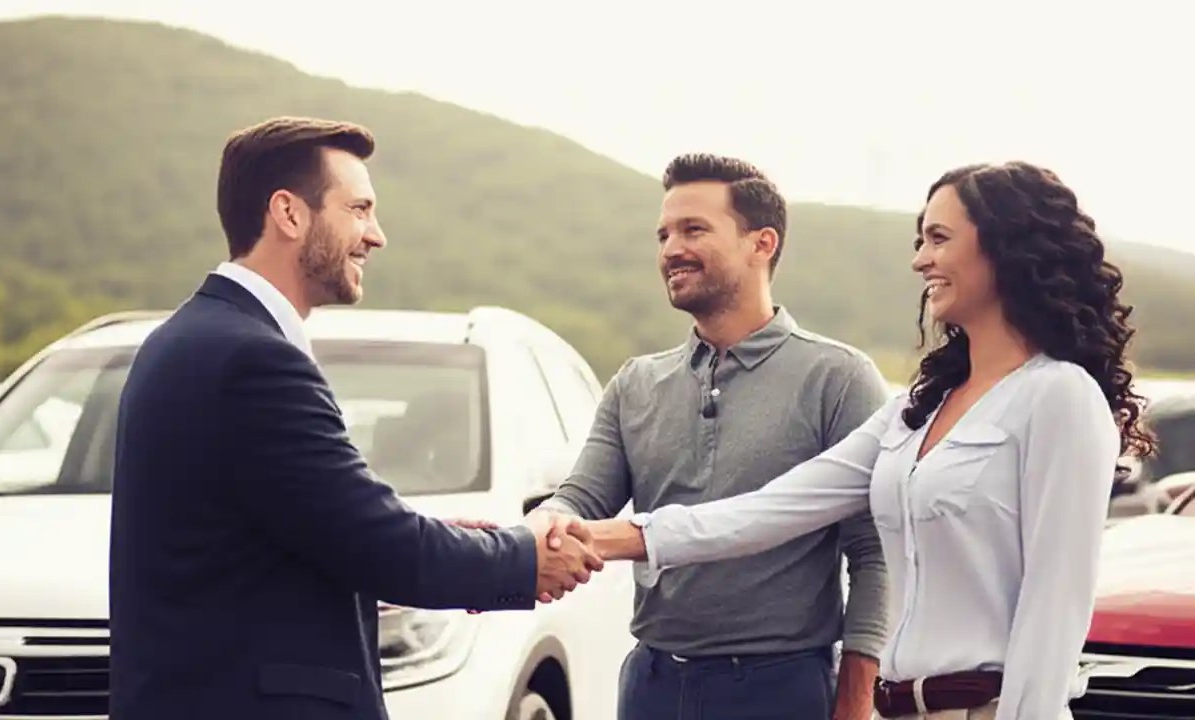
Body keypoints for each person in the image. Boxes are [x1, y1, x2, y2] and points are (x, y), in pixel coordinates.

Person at [584, 160, 1156, 720]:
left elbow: (1053, 612)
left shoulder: (1061, 397)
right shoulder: (919, 407)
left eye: (938, 238)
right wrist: (597, 538)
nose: (919, 259)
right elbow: (765, 512)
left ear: (1004, 247)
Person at [108, 116, 602, 720]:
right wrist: (523, 560)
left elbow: (310, 521)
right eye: (359, 209)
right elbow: (378, 546)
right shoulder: (252, 358)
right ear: (289, 214)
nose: (377, 236)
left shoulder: (189, 339)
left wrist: (456, 534)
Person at [531, 153, 891, 720]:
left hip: (783, 690)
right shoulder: (635, 383)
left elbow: (874, 556)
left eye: (694, 229)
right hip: (651, 685)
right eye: (664, 234)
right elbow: (579, 499)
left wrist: (854, 702)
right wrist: (519, 538)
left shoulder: (839, 378)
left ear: (762, 243)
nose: (671, 248)